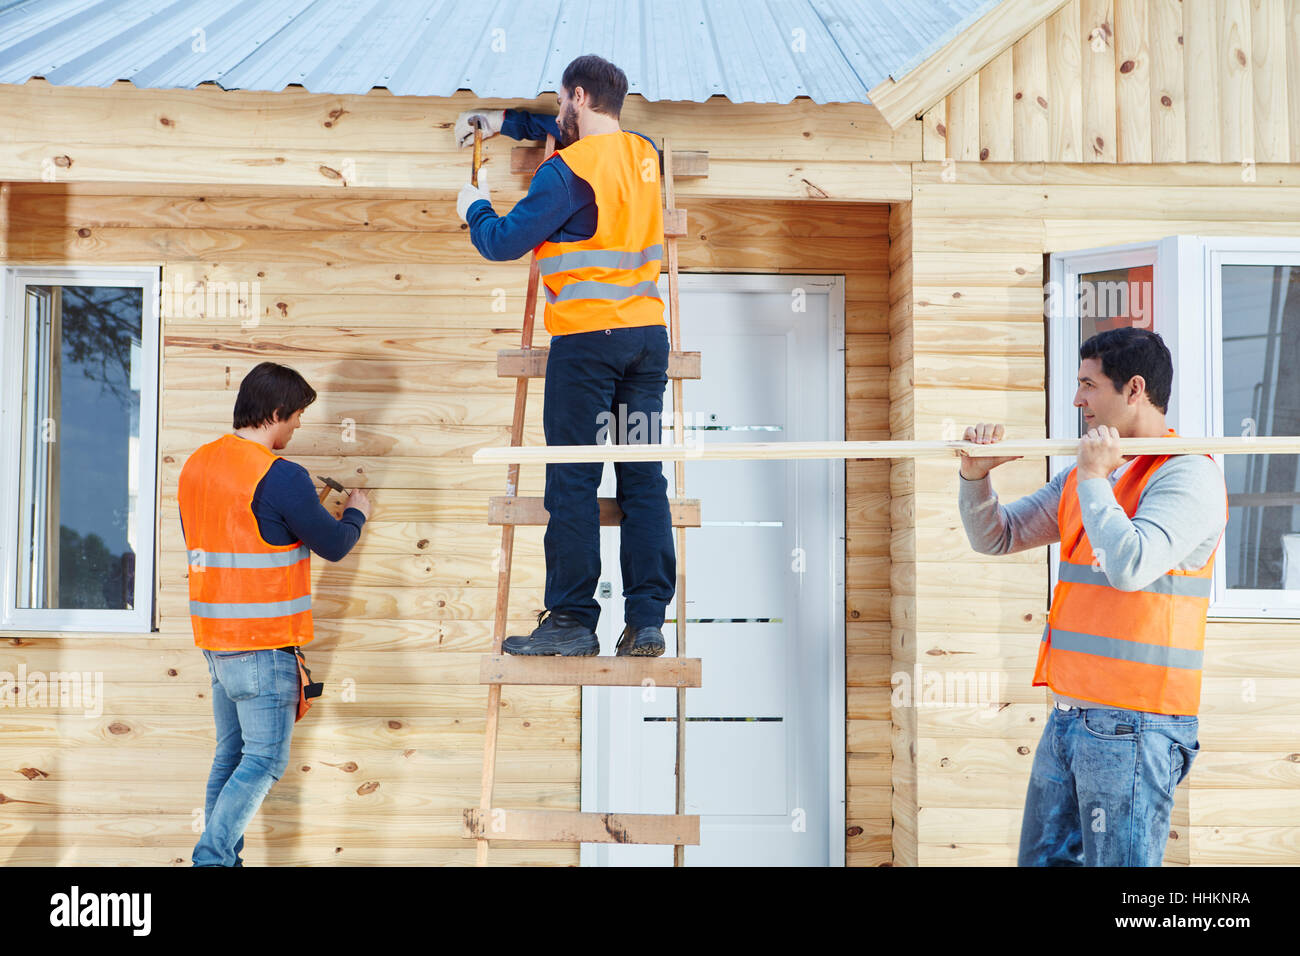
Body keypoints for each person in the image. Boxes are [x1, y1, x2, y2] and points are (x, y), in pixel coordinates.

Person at [956, 327, 1228, 866]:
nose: (1077, 399)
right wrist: (974, 478)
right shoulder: (1088, 475)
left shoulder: (1188, 475)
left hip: (1136, 723)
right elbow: (997, 536)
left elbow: (1130, 565)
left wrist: (1093, 478)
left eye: (1088, 384)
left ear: (1134, 389)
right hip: (1070, 716)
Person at [454, 54, 674, 658]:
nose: (558, 113)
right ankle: (647, 621)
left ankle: (574, 620)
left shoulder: (565, 175)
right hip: (647, 343)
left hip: (586, 348)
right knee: (643, 478)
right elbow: (568, 134)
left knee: (573, 481)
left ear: (577, 95)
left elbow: (502, 242)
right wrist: (506, 122)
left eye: (560, 101)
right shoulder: (645, 154)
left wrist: (472, 205)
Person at [178, 361, 371, 866]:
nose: (300, 425)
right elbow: (332, 545)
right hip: (263, 643)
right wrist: (357, 512)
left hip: (216, 642)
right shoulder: (281, 476)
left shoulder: (197, 464)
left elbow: (232, 537)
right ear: (277, 412)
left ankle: (221, 861)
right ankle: (213, 860)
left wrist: (301, 509)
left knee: (231, 756)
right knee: (264, 760)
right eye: (298, 415)